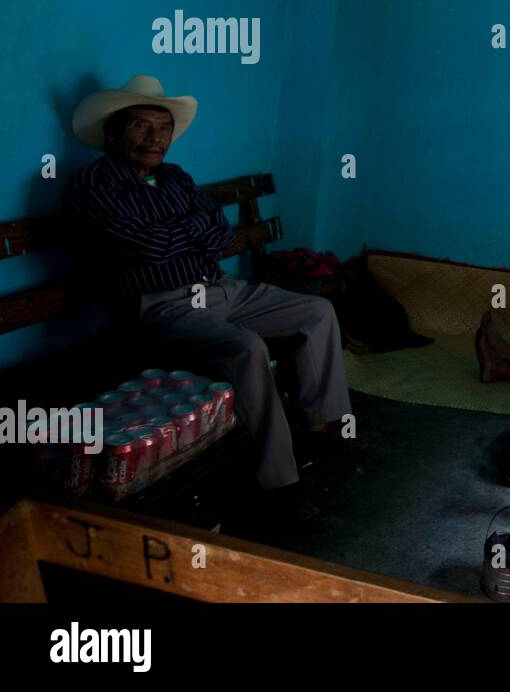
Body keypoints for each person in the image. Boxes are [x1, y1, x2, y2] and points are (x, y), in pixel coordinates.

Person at [64, 75, 357, 517]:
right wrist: (188, 232)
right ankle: (279, 479)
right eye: (142, 127)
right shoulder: (95, 183)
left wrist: (177, 234)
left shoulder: (175, 177)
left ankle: (321, 422)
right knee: (246, 347)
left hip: (219, 289)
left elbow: (220, 235)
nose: (155, 138)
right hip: (159, 305)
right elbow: (148, 248)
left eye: (163, 129)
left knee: (317, 311)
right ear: (113, 133)